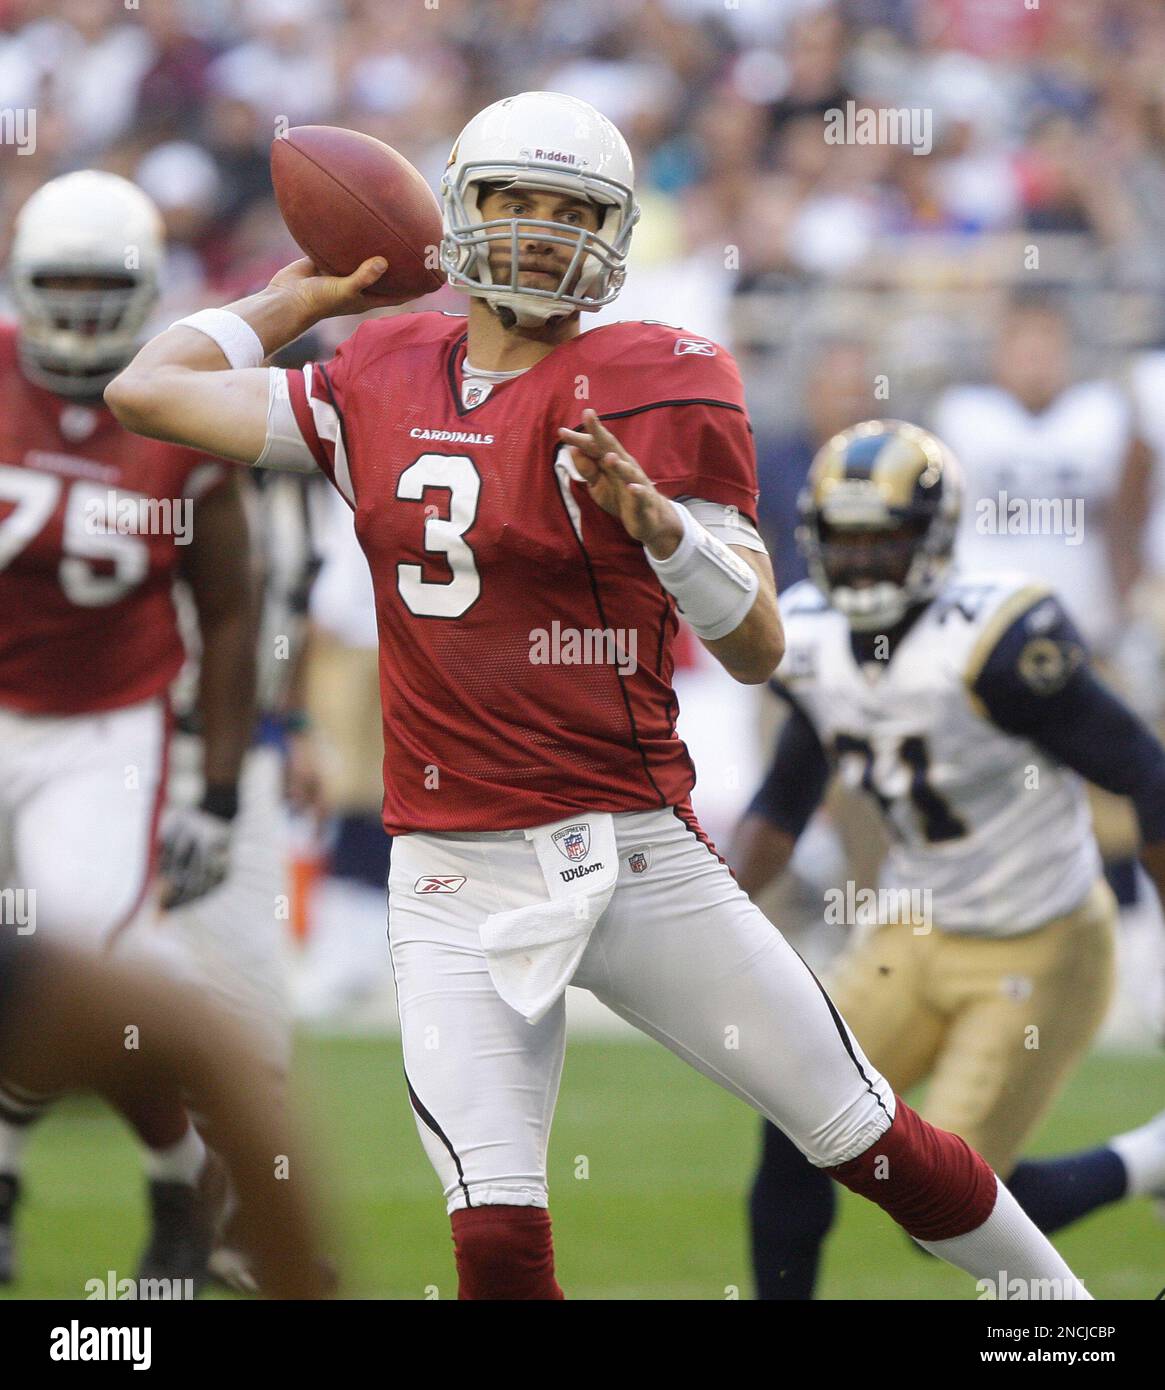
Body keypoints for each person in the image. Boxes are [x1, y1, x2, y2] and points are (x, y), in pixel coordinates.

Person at [107, 90, 1091, 1300]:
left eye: (570, 209)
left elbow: (758, 645)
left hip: (629, 850)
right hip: (451, 873)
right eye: (511, 201)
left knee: (865, 1136)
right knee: (498, 1245)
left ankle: (1060, 1312)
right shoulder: (377, 366)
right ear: (456, 214)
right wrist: (292, 299)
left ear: (617, 234)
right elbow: (146, 391)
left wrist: (665, 530)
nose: (536, 230)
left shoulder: (663, 376)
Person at [733, 418, 1165, 1299]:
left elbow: (1144, 773)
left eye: (879, 541)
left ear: (929, 540)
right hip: (913, 924)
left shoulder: (998, 642)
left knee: (944, 1211)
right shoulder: (808, 636)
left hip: (1036, 942)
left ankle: (1150, 1159)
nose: (855, 565)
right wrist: (704, 924)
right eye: (841, 543)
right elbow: (782, 802)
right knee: (792, 1119)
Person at [0, 170, 257, 1289]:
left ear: (146, 293)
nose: (82, 312)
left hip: (109, 725)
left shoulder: (175, 402)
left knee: (76, 972)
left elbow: (233, 607)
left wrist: (220, 792)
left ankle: (169, 1183)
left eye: (104, 290)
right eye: (60, 286)